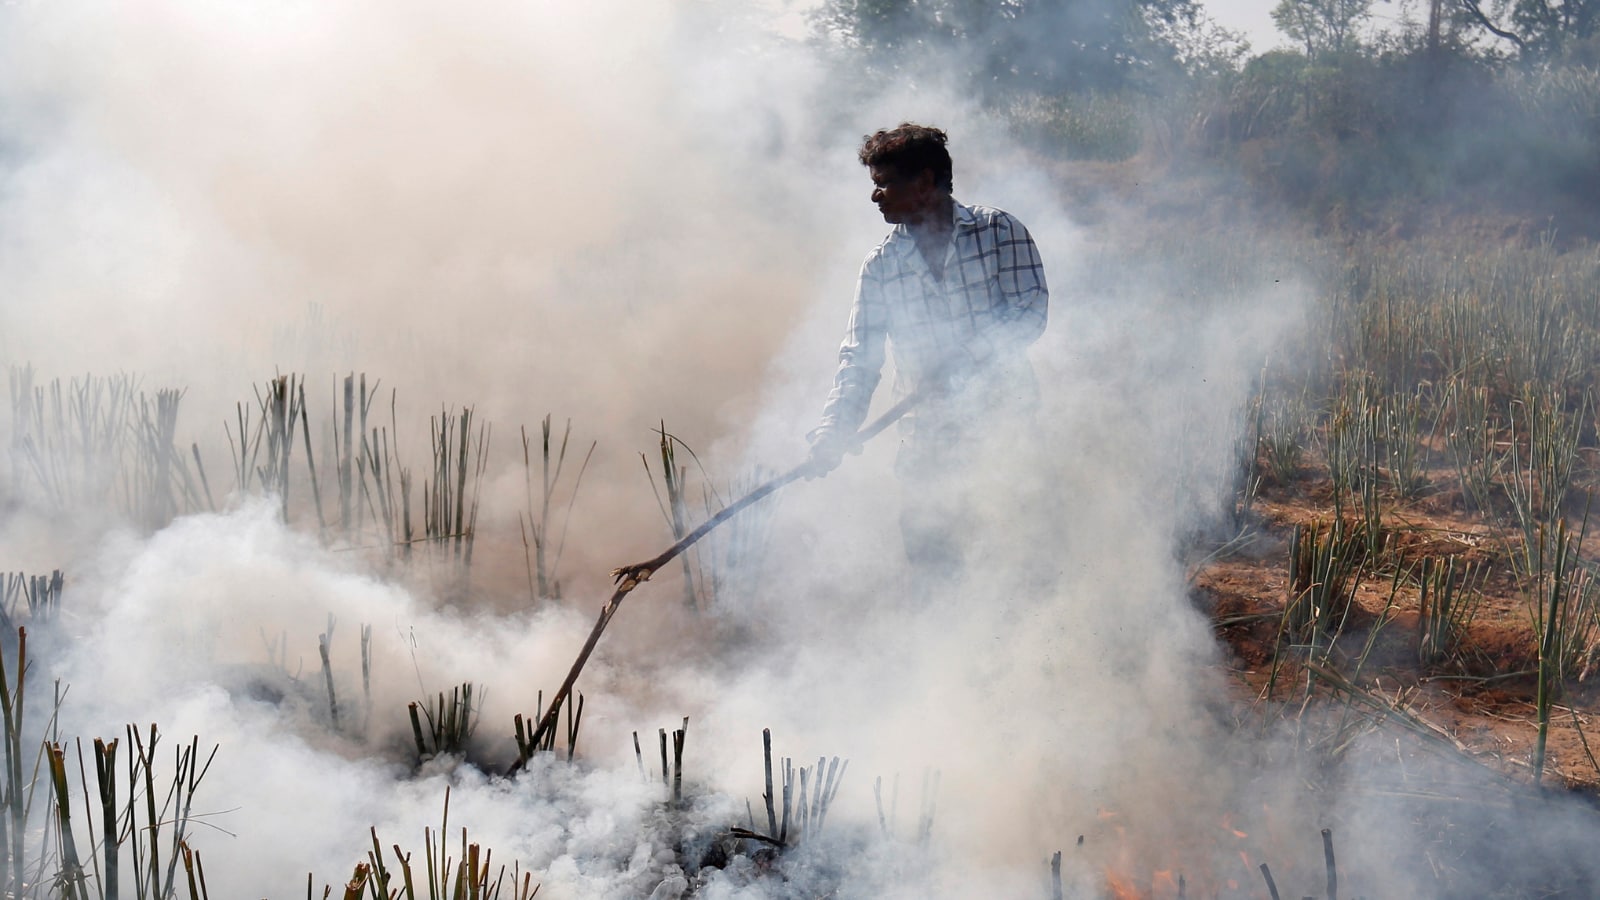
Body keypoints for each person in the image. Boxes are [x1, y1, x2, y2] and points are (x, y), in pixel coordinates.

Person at [807, 123, 1049, 581]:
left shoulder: (999, 231)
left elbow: (1030, 311)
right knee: (933, 559)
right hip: (927, 439)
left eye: (883, 185)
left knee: (1015, 552)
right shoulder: (881, 267)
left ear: (923, 183)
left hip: (1007, 429)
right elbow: (859, 359)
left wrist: (968, 359)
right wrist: (832, 432)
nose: (875, 197)